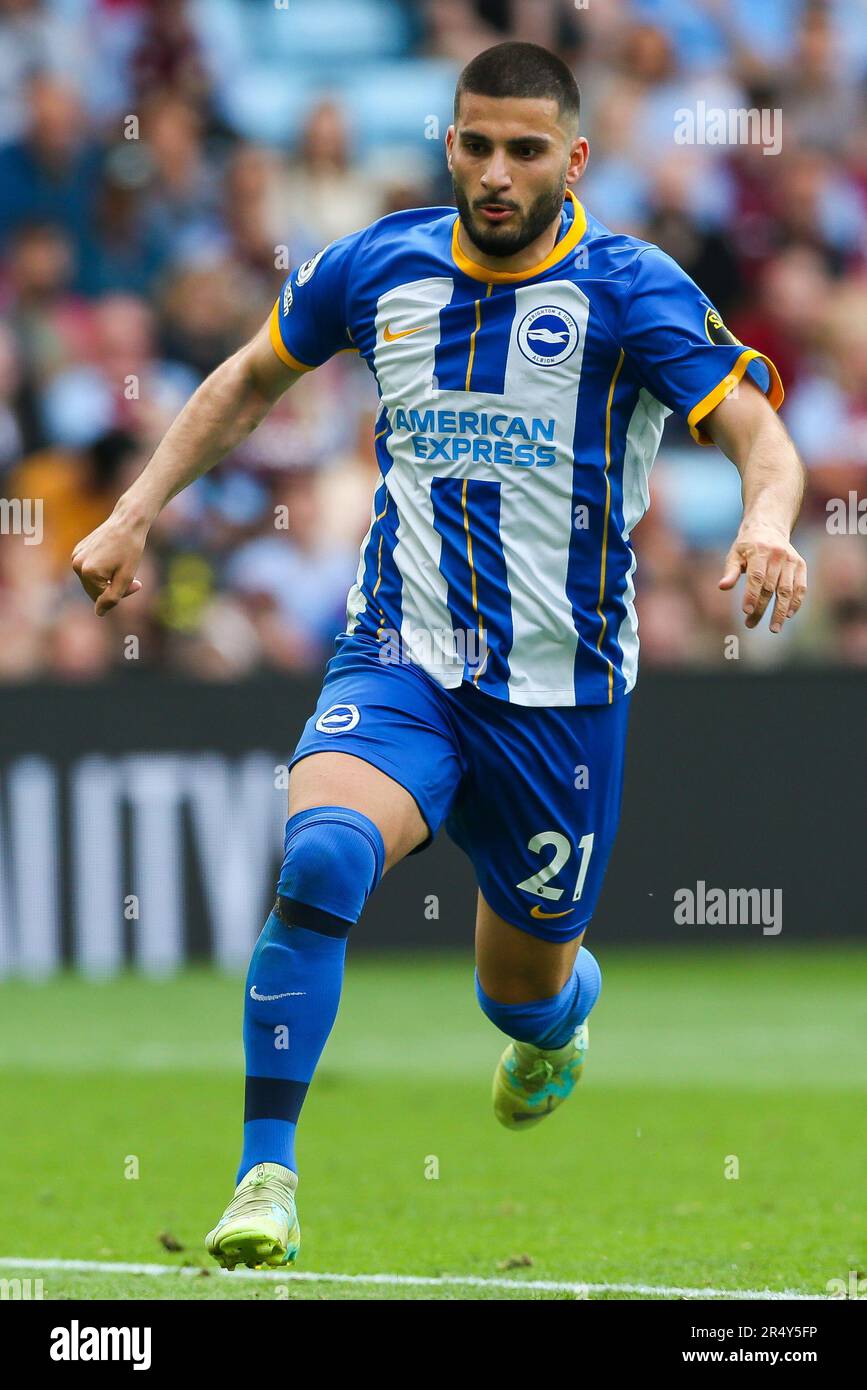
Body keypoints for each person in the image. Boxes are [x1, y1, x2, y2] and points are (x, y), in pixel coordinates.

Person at [72, 42, 807, 1271]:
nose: (499, 172)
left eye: (528, 150)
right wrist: (136, 508)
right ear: (449, 141)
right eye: (478, 144)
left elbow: (757, 431)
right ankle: (268, 1173)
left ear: (573, 160)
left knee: (517, 993)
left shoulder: (631, 290)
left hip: (559, 700)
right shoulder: (379, 264)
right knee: (320, 855)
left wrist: (770, 518)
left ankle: (561, 1017)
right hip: (399, 656)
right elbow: (252, 378)